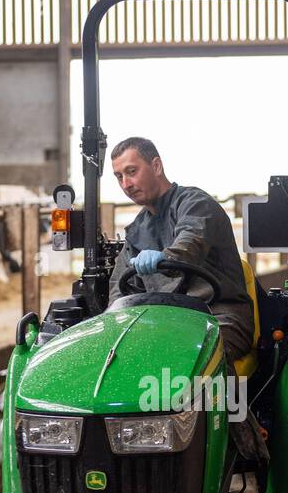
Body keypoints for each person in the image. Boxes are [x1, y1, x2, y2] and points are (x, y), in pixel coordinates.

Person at [107, 137, 255, 365]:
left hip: (218, 316)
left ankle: (227, 401)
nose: (126, 183)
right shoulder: (136, 231)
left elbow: (190, 243)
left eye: (131, 171)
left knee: (186, 359)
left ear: (156, 166)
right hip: (166, 323)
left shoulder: (195, 204)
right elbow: (120, 287)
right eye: (119, 177)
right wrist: (112, 324)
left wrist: (165, 258)